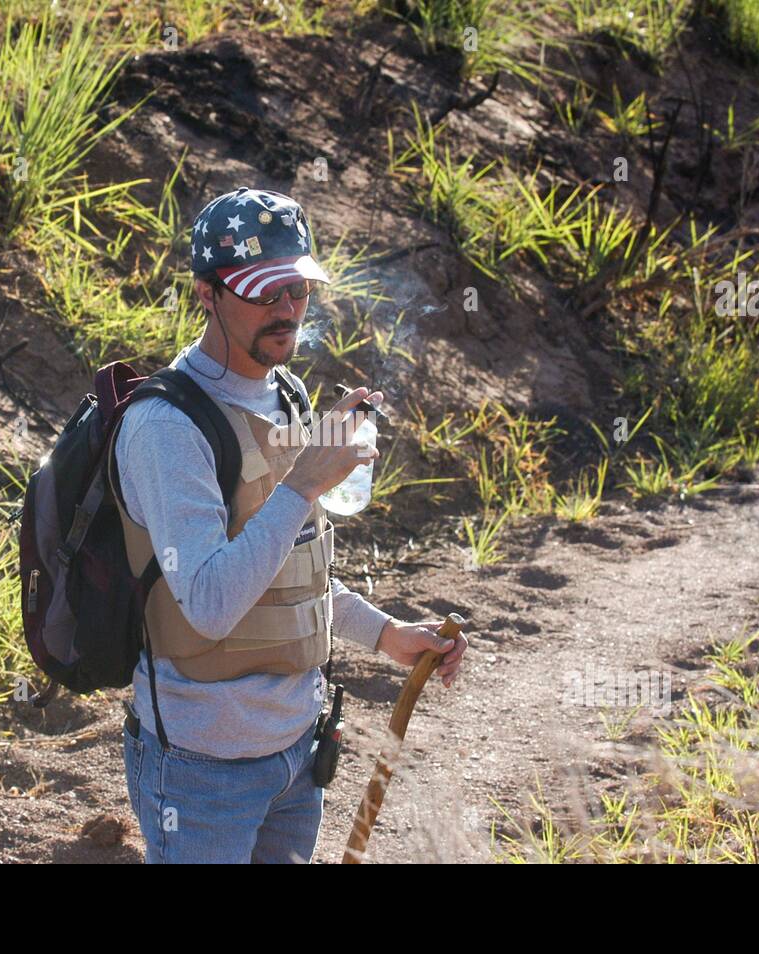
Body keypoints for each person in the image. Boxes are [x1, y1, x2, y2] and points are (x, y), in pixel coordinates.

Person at [113, 186, 468, 863]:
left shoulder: (287, 396)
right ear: (207, 292)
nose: (286, 310)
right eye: (263, 291)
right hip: (202, 769)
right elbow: (213, 603)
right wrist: (306, 481)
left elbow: (288, 572)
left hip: (297, 757)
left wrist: (387, 636)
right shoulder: (165, 427)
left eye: (297, 291)